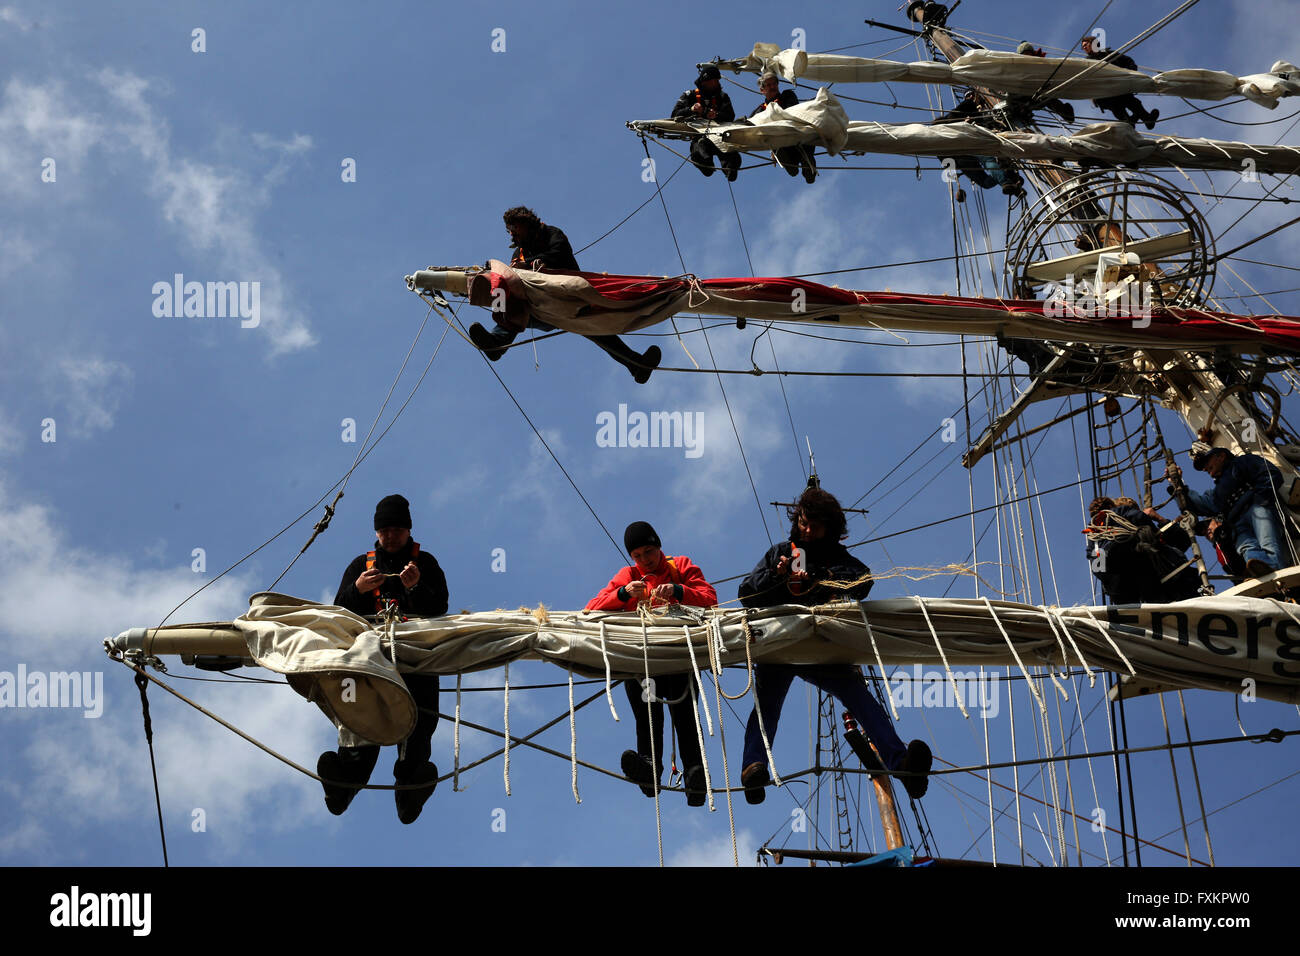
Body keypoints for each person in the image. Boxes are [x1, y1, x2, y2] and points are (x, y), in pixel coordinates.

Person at [736, 486, 932, 803]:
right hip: (779, 640)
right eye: (803, 522)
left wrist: (820, 576)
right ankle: (753, 770)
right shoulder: (780, 552)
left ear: (831, 528)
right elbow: (746, 592)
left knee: (859, 698)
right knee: (767, 704)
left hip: (819, 642)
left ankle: (903, 766)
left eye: (815, 525)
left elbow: (863, 581)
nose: (807, 530)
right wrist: (776, 577)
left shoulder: (837, 558)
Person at [319, 494, 449, 824]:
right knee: (361, 720)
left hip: (414, 653)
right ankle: (343, 784)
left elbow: (439, 609)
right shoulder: (359, 566)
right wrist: (358, 591)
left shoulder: (426, 563)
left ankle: (411, 790)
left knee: (419, 727)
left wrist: (416, 588)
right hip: (369, 656)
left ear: (408, 531)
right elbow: (339, 613)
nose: (390, 536)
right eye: (384, 531)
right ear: (376, 533)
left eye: (396, 530)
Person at [585, 521, 718, 806]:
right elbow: (591, 608)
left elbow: (710, 599)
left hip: (678, 656)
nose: (645, 560)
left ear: (658, 546)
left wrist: (679, 591)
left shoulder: (680, 566)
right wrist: (623, 595)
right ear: (632, 558)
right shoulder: (628, 576)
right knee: (647, 714)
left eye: (649, 551)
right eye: (638, 555)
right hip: (643, 660)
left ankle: (696, 775)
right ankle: (649, 769)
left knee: (684, 713)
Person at [467, 206, 662, 384]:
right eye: (509, 230)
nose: (512, 234)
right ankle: (496, 344)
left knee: (601, 333)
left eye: (515, 228)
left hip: (571, 300)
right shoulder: (519, 253)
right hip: (542, 308)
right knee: (514, 308)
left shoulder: (552, 234)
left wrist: (533, 263)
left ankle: (637, 366)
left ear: (527, 223)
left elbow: (559, 253)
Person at [1175, 443, 1292, 577]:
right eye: (1203, 467)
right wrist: (1178, 485)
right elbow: (1200, 505)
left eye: (1206, 462)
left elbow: (1270, 474)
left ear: (1221, 456)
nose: (1205, 468)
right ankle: (1261, 573)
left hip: (1257, 507)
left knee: (1267, 540)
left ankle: (1278, 574)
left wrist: (1259, 498)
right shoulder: (1217, 492)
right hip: (1236, 522)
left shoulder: (1243, 462)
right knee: (1246, 547)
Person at [1084, 495, 1200, 604]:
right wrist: (1154, 523)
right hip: (1162, 578)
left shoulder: (1093, 533)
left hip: (1126, 586)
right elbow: (1181, 541)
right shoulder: (1122, 514)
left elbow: (1096, 565)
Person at [932, 91, 1025, 197]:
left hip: (963, 160)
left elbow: (944, 161)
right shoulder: (953, 116)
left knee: (985, 181)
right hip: (969, 145)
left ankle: (1007, 180)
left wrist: (953, 167)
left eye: (970, 95)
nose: (970, 97)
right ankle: (1006, 179)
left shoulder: (938, 139)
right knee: (988, 161)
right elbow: (961, 110)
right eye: (968, 96)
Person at [671, 64, 741, 181]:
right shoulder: (689, 95)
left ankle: (729, 170)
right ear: (705, 82)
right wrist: (691, 109)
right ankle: (707, 166)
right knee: (700, 154)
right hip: (699, 137)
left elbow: (730, 116)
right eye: (713, 81)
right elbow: (675, 115)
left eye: (717, 81)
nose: (717, 84)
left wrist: (716, 115)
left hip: (720, 136)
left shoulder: (723, 97)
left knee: (732, 158)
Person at [1079, 34, 1159, 130]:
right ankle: (1130, 122)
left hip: (1119, 84)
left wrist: (1130, 73)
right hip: (1104, 92)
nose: (1084, 47)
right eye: (1083, 47)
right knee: (1117, 107)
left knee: (1132, 102)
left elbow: (1129, 61)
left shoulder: (1109, 54)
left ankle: (1146, 120)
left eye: (1086, 44)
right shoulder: (1087, 62)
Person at [750, 72, 816, 183]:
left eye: (774, 84)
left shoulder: (787, 95)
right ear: (762, 90)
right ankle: (778, 152)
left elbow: (791, 112)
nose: (773, 87)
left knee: (807, 162)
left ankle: (808, 168)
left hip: (798, 135)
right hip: (782, 143)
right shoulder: (760, 110)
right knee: (792, 171)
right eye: (768, 85)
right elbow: (749, 125)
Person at [1014, 41, 1075, 123]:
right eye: (1024, 54)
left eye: (1028, 53)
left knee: (1049, 99)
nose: (1027, 55)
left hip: (1039, 94)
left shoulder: (1040, 63)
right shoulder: (1016, 67)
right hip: (1023, 97)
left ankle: (1066, 114)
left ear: (1032, 53)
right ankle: (1021, 112)